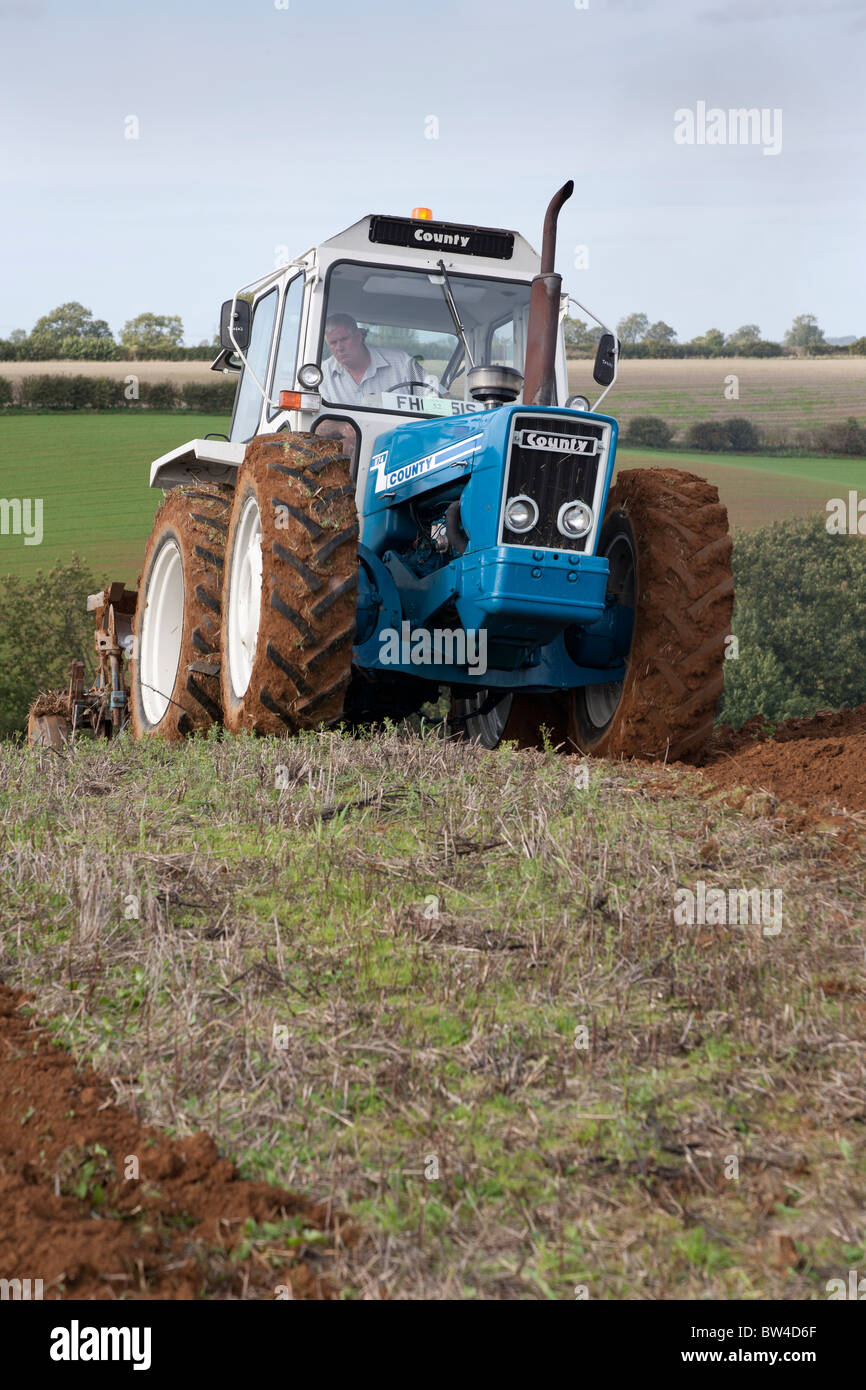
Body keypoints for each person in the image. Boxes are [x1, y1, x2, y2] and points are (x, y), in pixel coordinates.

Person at [321, 313, 438, 406]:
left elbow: (440, 401)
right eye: (333, 343)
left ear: (359, 335)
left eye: (344, 339)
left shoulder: (403, 364)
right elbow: (315, 416)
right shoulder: (322, 374)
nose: (339, 348)